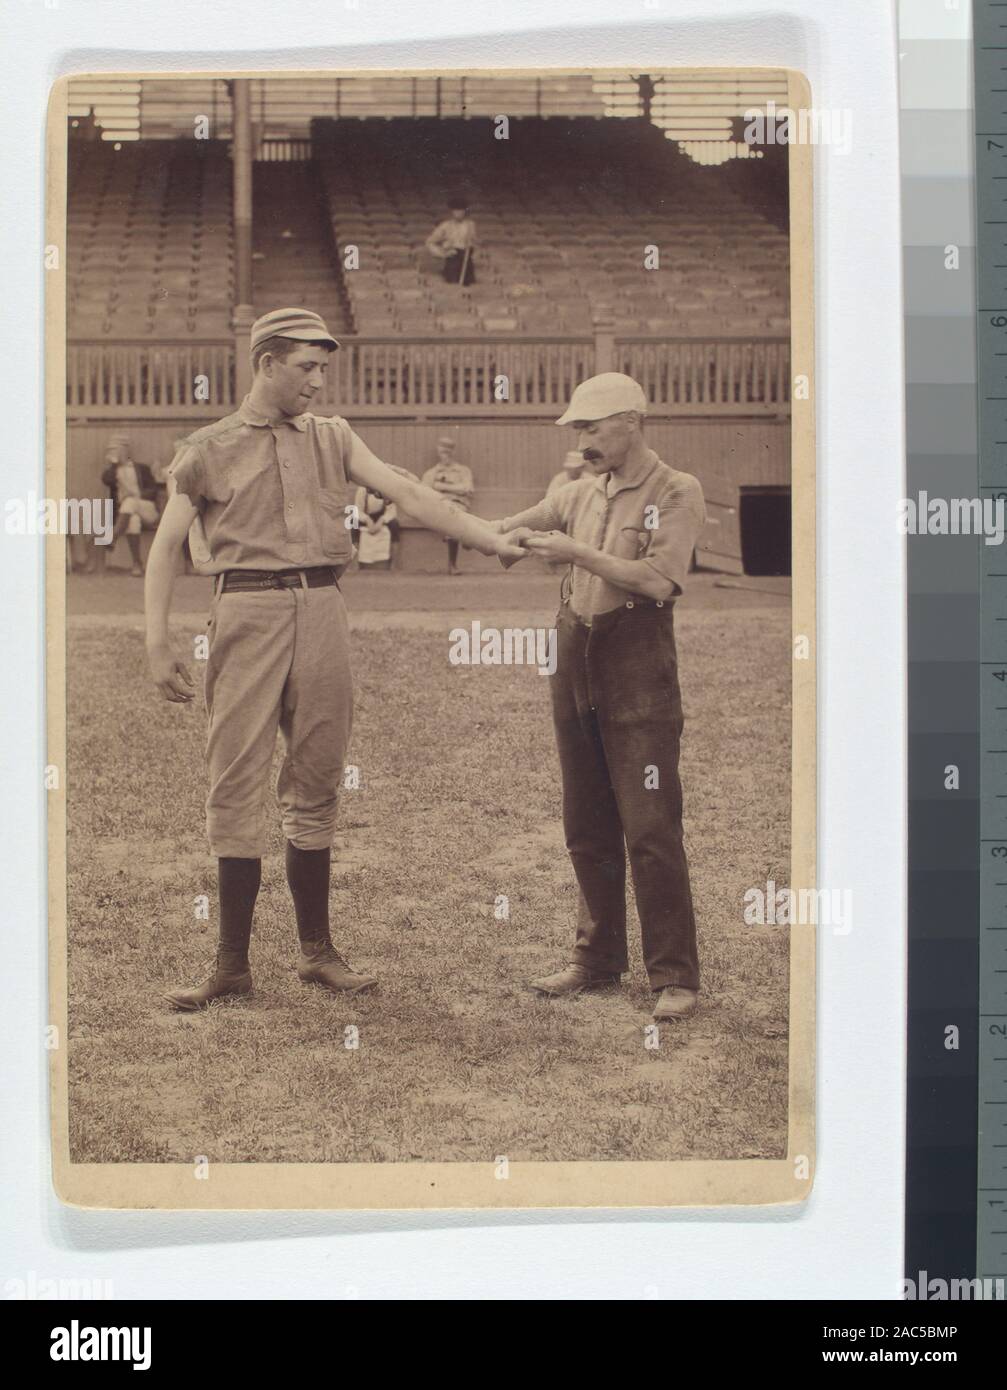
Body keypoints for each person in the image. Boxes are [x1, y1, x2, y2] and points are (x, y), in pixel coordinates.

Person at [145, 307, 527, 1011]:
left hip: (322, 605)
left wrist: (485, 537)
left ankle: (316, 952)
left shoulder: (333, 436)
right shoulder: (207, 447)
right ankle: (230, 965)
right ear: (266, 364)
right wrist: (157, 641)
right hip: (245, 609)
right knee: (235, 777)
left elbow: (407, 491)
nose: (318, 381)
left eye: (324, 367)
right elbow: (166, 545)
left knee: (317, 772)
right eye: (306, 367)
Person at [495, 373, 707, 1024]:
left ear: (632, 422)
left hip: (635, 656)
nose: (581, 441)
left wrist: (576, 554)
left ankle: (674, 975)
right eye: (576, 431)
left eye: (591, 428)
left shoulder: (676, 490)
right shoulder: (576, 491)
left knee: (647, 822)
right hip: (573, 652)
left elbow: (658, 580)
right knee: (584, 819)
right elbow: (502, 527)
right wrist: (484, 532)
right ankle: (596, 960)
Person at [101, 434, 161, 576]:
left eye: (117, 449)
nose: (115, 453)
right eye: (112, 450)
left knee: (130, 502)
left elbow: (153, 491)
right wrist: (114, 465)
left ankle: (112, 537)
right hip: (127, 514)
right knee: (133, 521)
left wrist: (137, 497)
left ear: (126, 450)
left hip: (148, 510)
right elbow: (106, 480)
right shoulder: (112, 472)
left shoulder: (142, 469)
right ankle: (137, 564)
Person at [421, 436, 475, 575]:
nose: (445, 455)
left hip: (459, 506)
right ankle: (466, 537)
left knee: (454, 516)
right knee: (452, 518)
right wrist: (456, 488)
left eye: (448, 452)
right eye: (442, 452)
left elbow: (468, 489)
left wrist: (440, 486)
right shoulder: (431, 473)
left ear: (452, 452)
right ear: (438, 453)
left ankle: (454, 560)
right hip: (439, 506)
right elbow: (423, 493)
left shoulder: (463, 471)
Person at [425, 201, 477, 285]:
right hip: (453, 258)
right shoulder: (445, 226)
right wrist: (442, 253)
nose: (459, 213)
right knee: (452, 284)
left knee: (469, 285)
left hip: (466, 260)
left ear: (465, 212)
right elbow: (430, 242)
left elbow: (474, 242)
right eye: (456, 211)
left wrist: (471, 247)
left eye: (461, 211)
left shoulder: (470, 225)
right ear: (451, 212)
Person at [353, 484, 400, 570]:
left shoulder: (386, 488)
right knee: (353, 523)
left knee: (394, 524)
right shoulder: (362, 490)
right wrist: (367, 519)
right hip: (366, 518)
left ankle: (394, 563)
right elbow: (357, 510)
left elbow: (392, 511)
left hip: (381, 518)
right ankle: (354, 562)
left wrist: (382, 520)